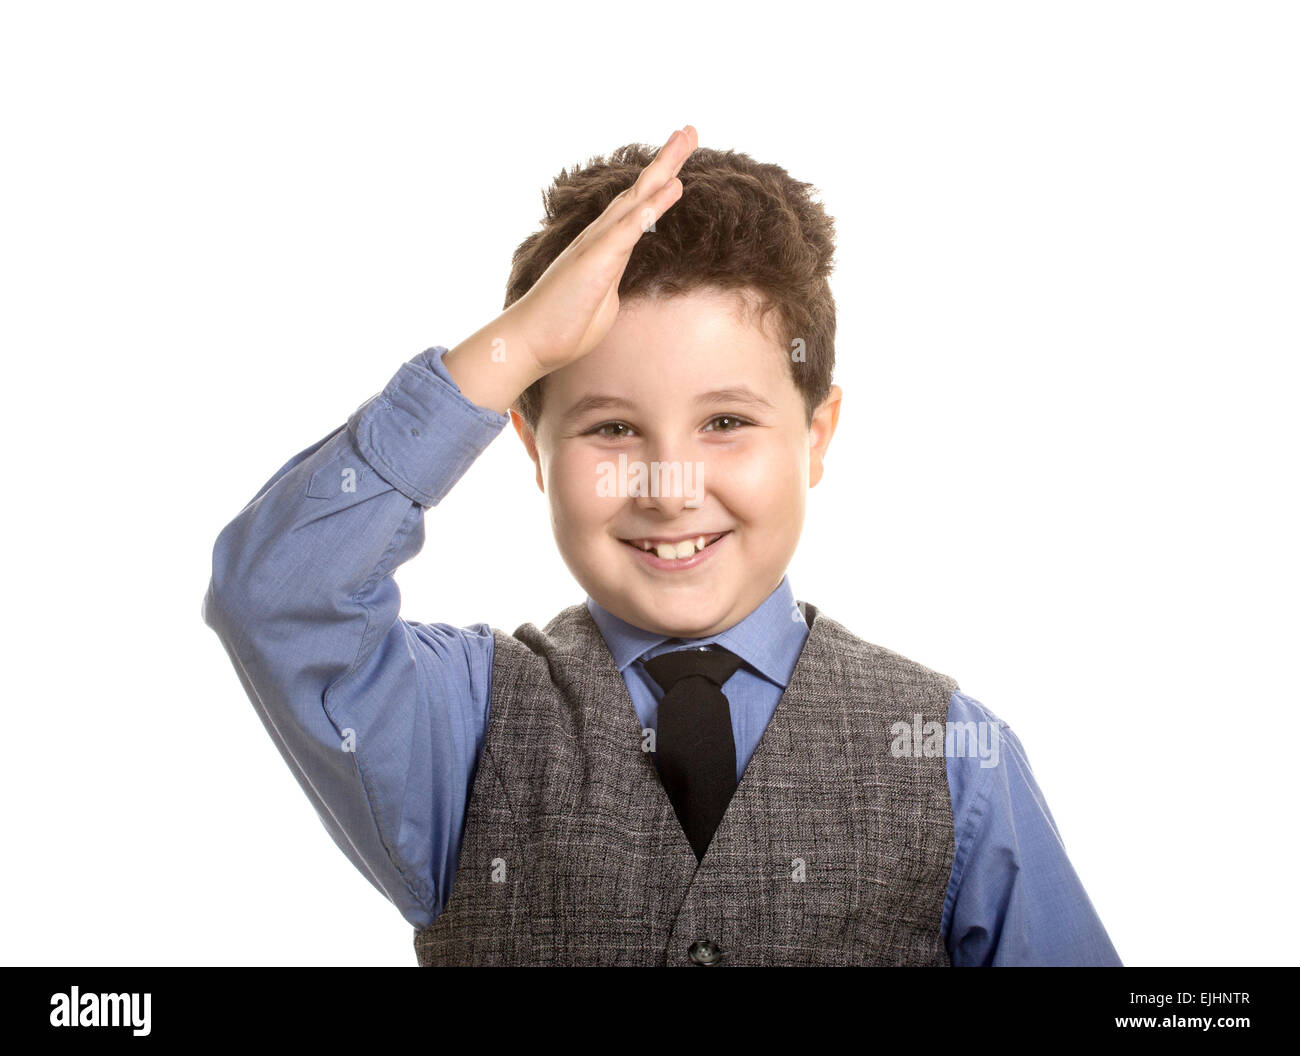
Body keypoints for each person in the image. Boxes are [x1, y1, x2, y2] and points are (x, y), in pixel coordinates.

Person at [202, 125, 1121, 966]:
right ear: (532, 445)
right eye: (611, 429)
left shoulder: (954, 757)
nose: (670, 485)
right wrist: (514, 349)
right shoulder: (458, 727)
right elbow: (276, 594)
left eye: (725, 419)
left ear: (817, 436)